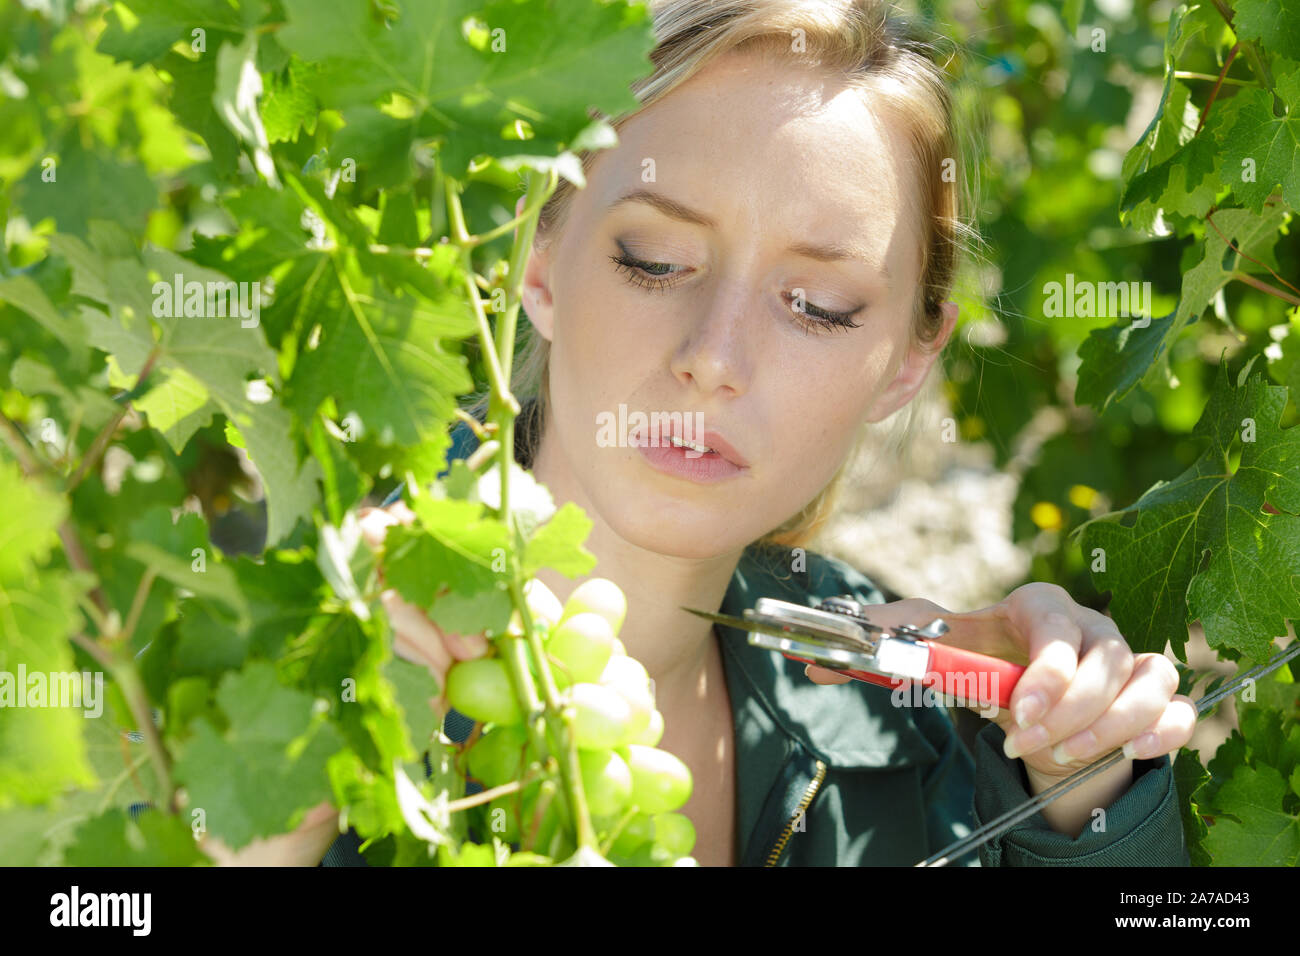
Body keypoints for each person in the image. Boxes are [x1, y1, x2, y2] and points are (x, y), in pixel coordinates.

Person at [208, 0, 1196, 867]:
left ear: (909, 355)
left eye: (815, 304)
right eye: (654, 257)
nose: (714, 355)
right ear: (538, 265)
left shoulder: (911, 719)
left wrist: (1083, 795)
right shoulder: (267, 652)